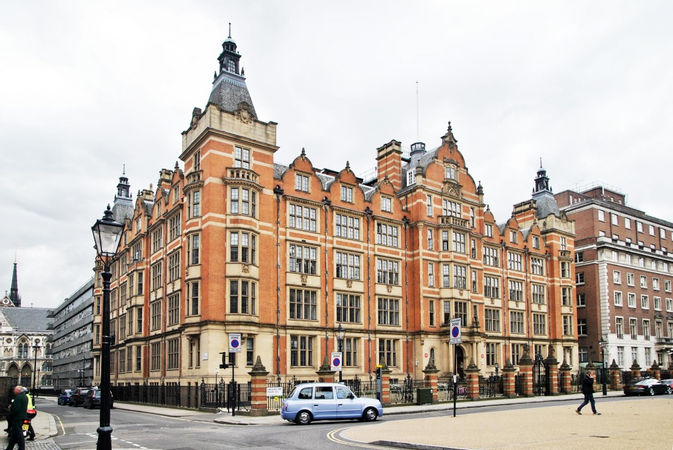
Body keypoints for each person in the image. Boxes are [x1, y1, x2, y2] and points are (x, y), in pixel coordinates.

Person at [5, 385, 27, 450]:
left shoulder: (19, 397)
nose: (14, 390)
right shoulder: (24, 396)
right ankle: (9, 448)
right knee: (14, 435)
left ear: (18, 390)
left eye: (15, 389)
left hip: (17, 418)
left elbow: (15, 408)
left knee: (19, 434)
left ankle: (22, 448)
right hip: (21, 417)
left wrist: (10, 408)